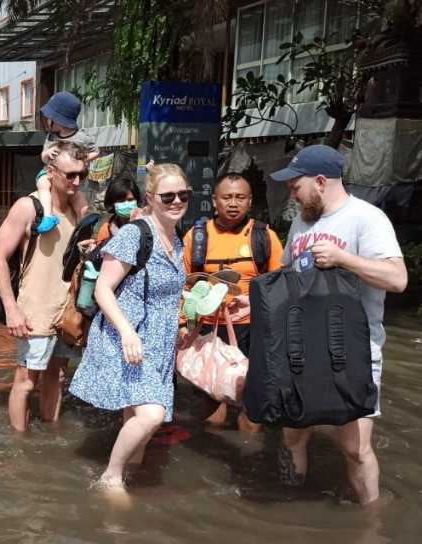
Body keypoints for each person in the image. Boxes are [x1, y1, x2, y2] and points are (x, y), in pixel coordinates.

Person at [271, 145, 407, 505]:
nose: (291, 193)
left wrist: (344, 258)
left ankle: (369, 520)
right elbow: (286, 273)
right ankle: (288, 502)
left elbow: (397, 279)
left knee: (354, 448)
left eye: (295, 186)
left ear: (320, 181)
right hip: (302, 349)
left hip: (354, 351)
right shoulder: (303, 220)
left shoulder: (368, 218)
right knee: (293, 436)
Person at [69, 164, 189, 494]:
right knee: (152, 414)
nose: (177, 201)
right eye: (168, 196)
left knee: (134, 413)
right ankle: (111, 476)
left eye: (183, 195)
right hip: (130, 337)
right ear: (150, 198)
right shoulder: (135, 234)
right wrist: (126, 332)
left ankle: (133, 469)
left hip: (161, 341)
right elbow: (102, 289)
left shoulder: (176, 237)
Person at [0, 142, 90, 432]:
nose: (76, 181)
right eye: (70, 175)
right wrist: (11, 309)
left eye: (81, 175)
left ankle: (49, 437)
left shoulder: (77, 208)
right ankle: (18, 450)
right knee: (25, 381)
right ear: (51, 172)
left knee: (57, 377)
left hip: (67, 311)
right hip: (35, 310)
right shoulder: (28, 207)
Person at [181, 172, 284, 431]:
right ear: (215, 201)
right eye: (227, 197)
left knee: (251, 397)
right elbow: (184, 285)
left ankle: (245, 458)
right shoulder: (197, 237)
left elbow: (280, 285)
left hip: (252, 328)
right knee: (209, 394)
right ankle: (211, 450)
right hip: (207, 328)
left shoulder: (264, 237)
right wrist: (184, 324)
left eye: (240, 197)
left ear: (250, 202)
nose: (233, 203)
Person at [36, 91, 100, 234]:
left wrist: (83, 159)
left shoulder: (82, 137)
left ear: (58, 119)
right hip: (50, 172)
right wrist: (47, 154)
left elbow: (96, 152)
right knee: (42, 184)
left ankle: (82, 227)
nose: (47, 120)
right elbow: (43, 157)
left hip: (70, 178)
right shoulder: (51, 136)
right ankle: (47, 216)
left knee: (80, 202)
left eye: (49, 117)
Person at [96, 176, 142, 243]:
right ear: (112, 203)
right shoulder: (106, 230)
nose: (126, 204)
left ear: (137, 200)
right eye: (121, 201)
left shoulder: (146, 227)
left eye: (130, 200)